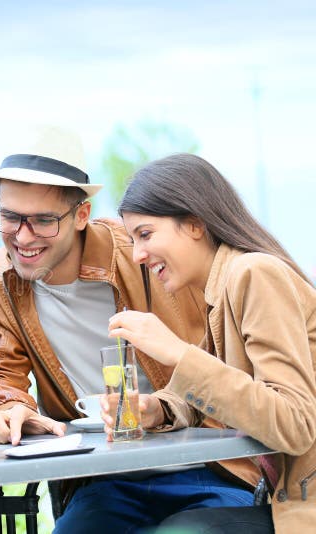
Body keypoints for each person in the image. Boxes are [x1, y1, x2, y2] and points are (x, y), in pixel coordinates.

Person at [0, 130, 261, 532]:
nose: (22, 236)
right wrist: (9, 407)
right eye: (9, 217)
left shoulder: (145, 252)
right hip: (107, 481)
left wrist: (160, 408)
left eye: (42, 220)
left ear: (81, 215)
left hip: (208, 468)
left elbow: (222, 355)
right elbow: (3, 372)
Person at [107, 153, 316, 533]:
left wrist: (175, 351)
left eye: (146, 234)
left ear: (194, 224)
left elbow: (294, 424)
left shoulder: (254, 274)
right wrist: (157, 409)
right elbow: (211, 383)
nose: (137, 255)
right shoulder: (221, 292)